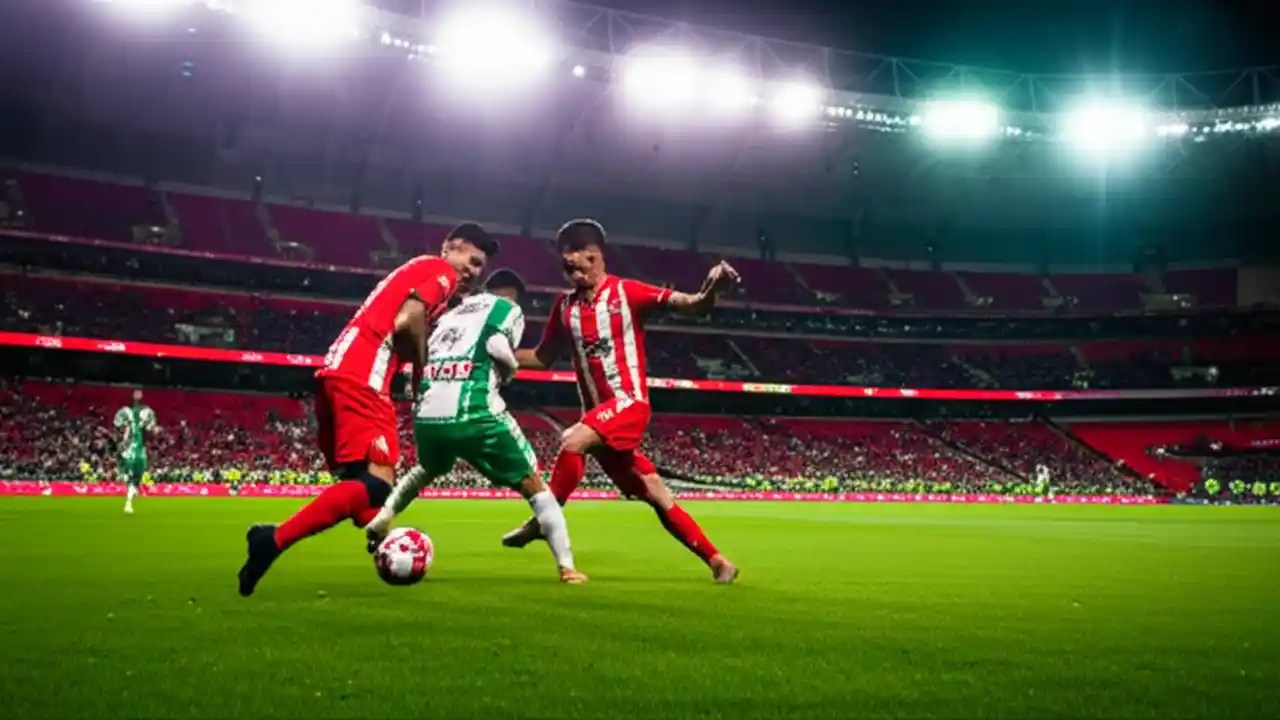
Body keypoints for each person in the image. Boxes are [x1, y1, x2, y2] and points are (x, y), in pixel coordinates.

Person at [237, 223, 498, 596]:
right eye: (470, 259)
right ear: (448, 249)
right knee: (376, 484)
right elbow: (408, 323)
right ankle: (272, 540)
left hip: (339, 371)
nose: (472, 271)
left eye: (479, 267)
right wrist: (420, 378)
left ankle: (388, 544)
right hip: (364, 375)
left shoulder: (416, 272)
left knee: (367, 500)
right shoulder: (439, 271)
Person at [501, 219, 742, 583]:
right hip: (599, 421)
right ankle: (717, 560)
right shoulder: (564, 307)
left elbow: (693, 306)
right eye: (569, 265)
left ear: (599, 257)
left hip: (628, 404)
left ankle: (542, 520)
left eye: (585, 260)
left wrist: (712, 289)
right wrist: (496, 354)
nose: (577, 269)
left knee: (572, 440)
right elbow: (541, 357)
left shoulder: (627, 292)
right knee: (656, 493)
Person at [364, 270, 587, 584]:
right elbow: (498, 346)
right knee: (535, 486)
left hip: (428, 412)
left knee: (427, 467)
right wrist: (508, 371)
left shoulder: (451, 313)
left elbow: (419, 351)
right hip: (473, 410)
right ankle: (567, 568)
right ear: (507, 294)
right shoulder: (505, 309)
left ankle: (384, 516)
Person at [113, 389, 157, 515]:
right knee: (134, 478)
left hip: (133, 449)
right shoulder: (145, 413)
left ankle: (129, 487)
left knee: (133, 478)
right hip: (134, 450)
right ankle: (130, 493)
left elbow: (118, 428)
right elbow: (150, 429)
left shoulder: (126, 412)